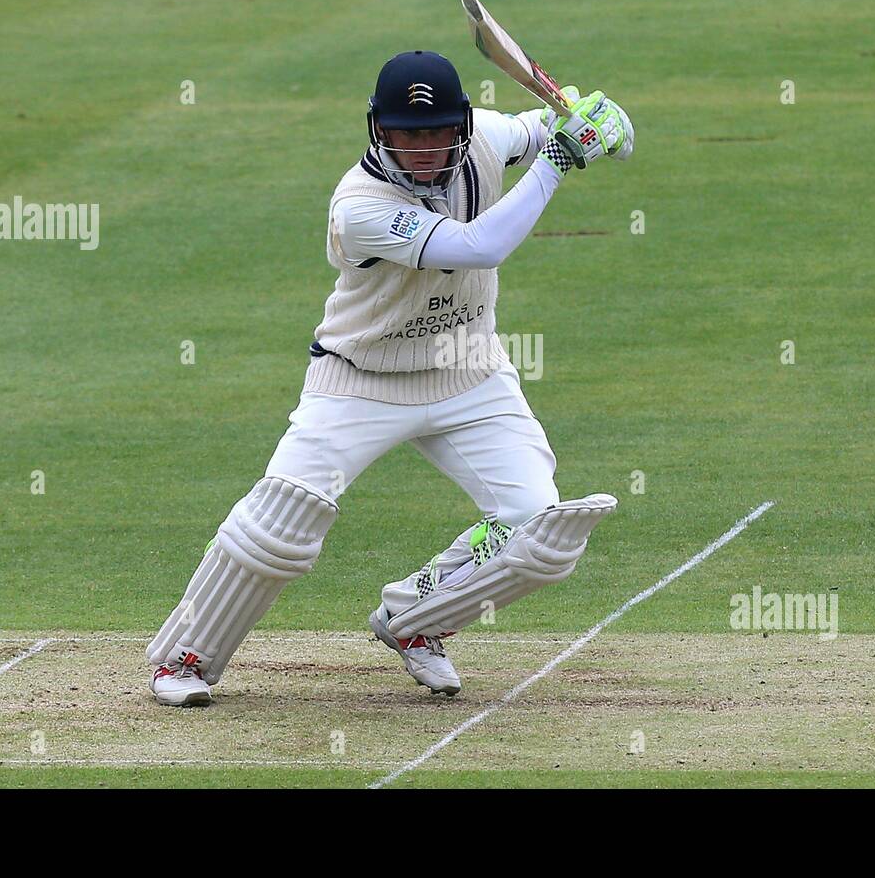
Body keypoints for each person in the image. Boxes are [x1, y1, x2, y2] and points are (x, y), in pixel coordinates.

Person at [147, 50, 633, 705]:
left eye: (437, 133)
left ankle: (415, 621)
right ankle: (185, 659)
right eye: (408, 133)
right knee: (279, 528)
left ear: (462, 124)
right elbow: (476, 247)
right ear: (379, 130)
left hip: (469, 370)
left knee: (538, 532)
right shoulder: (361, 207)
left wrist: (591, 119)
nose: (425, 148)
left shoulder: (486, 135)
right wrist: (561, 161)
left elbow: (538, 128)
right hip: (359, 378)